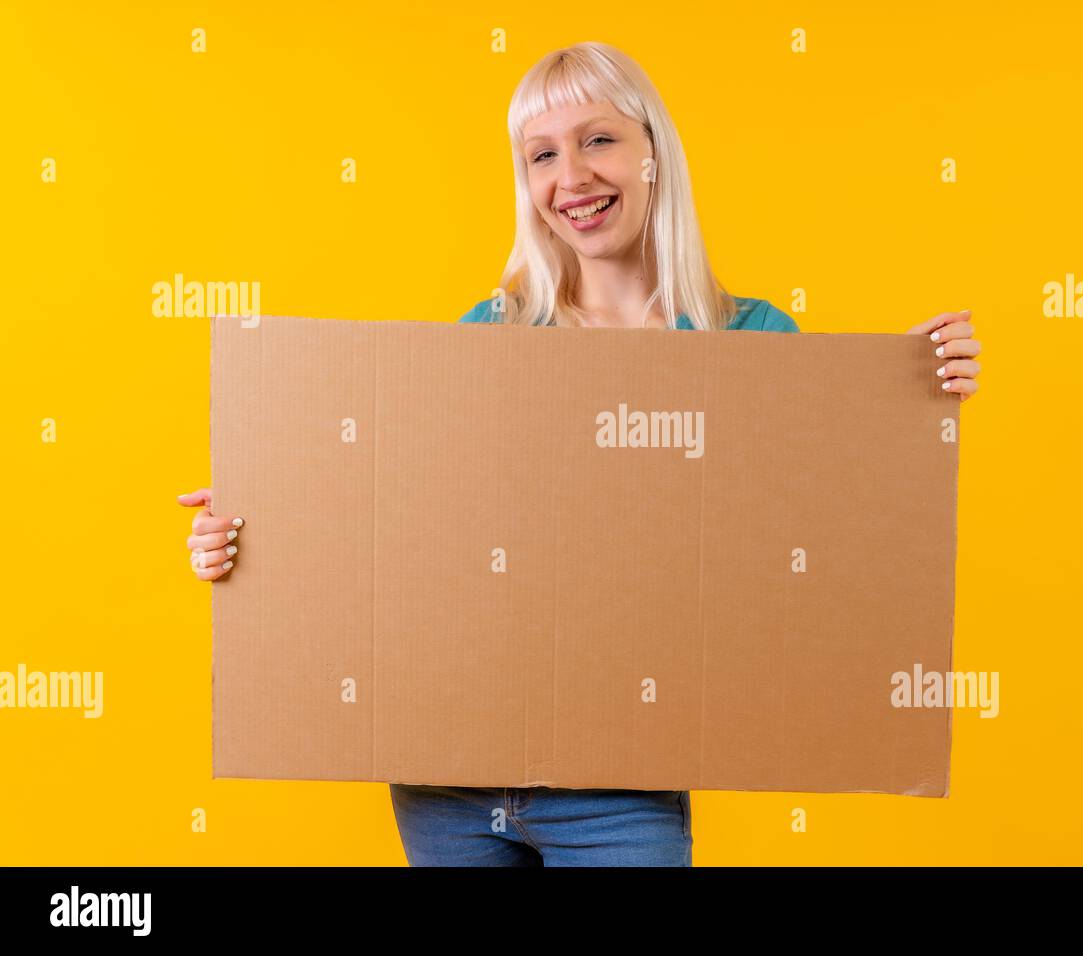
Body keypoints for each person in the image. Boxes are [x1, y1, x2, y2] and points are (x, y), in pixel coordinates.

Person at [178, 41, 982, 867]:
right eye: (542, 155)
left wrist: (907, 400)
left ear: (653, 153)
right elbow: (398, 528)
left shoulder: (751, 347)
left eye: (598, 140)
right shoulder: (487, 339)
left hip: (621, 794)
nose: (572, 177)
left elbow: (825, 544)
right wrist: (252, 532)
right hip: (447, 786)